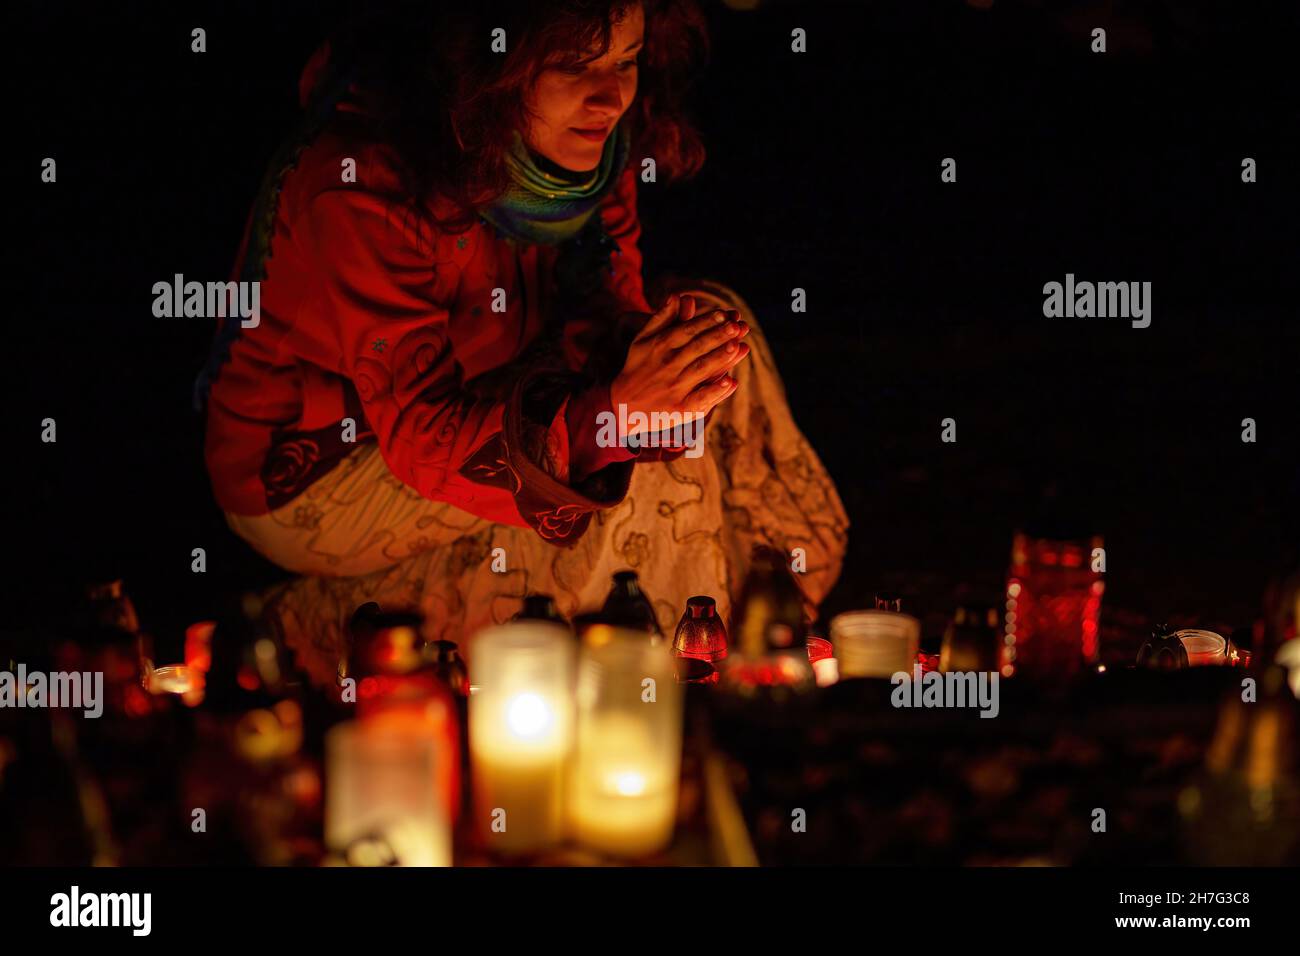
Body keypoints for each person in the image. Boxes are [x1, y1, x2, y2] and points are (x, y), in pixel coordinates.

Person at [196, 0, 847, 684]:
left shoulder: (592, 151)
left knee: (707, 343)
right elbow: (421, 430)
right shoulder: (362, 180)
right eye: (573, 66)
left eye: (626, 61)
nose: (611, 96)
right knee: (630, 472)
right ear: (488, 62)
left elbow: (608, 300)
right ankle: (657, 675)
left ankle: (762, 615)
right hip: (323, 472)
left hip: (498, 378)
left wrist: (659, 355)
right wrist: (613, 418)